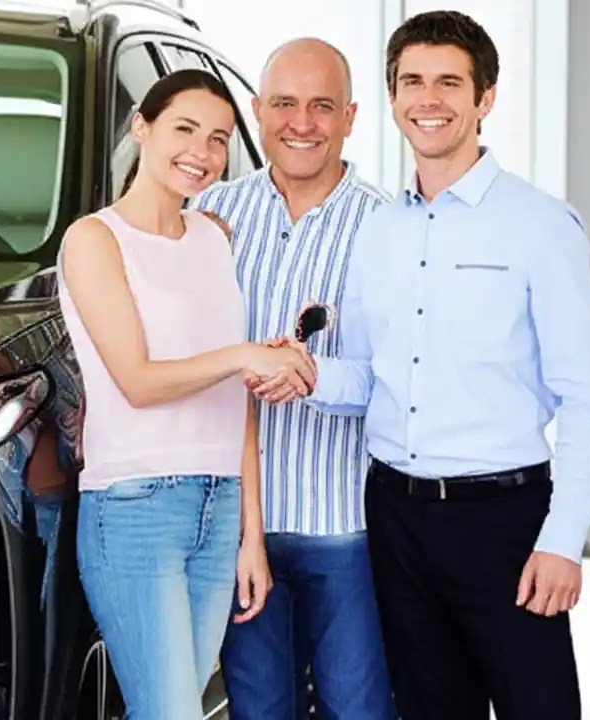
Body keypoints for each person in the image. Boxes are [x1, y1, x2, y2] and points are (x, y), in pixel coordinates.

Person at [256, 10, 590, 719]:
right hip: (395, 519)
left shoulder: (541, 225)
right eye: (412, 81)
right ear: (391, 100)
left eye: (450, 82)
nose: (429, 99)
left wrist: (564, 541)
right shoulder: (379, 230)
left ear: (486, 98)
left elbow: (588, 395)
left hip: (502, 520)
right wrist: (309, 374)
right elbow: (366, 375)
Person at [57, 68, 314, 717]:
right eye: (185, 129)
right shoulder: (95, 240)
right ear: (140, 127)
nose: (202, 152)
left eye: (219, 139)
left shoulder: (214, 237)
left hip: (218, 505)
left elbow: (239, 401)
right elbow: (138, 382)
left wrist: (250, 535)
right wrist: (242, 354)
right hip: (135, 508)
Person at [187, 38, 397, 719]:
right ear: (257, 111)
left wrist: (312, 377)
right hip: (236, 526)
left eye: (321, 106)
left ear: (351, 117)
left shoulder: (387, 226)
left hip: (346, 530)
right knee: (257, 710)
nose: (301, 123)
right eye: (284, 104)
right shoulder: (209, 218)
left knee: (358, 710)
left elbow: (402, 380)